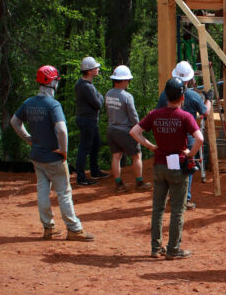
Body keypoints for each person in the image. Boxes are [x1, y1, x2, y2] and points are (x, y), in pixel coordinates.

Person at [11, 65, 93, 241]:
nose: (57, 83)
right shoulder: (53, 104)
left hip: (37, 156)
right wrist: (63, 151)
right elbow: (62, 130)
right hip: (53, 157)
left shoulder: (28, 103)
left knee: (42, 190)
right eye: (56, 80)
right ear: (52, 82)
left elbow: (14, 122)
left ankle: (48, 227)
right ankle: (74, 229)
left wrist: (28, 138)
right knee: (63, 192)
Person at [130, 77, 204, 259]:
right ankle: (173, 249)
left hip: (160, 164)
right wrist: (190, 154)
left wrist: (151, 146)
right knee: (178, 209)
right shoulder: (185, 116)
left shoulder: (155, 114)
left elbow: (134, 132)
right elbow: (200, 139)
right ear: (182, 98)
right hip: (177, 164)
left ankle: (156, 248)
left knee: (158, 208)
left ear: (165, 96)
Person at [156, 59, 210, 209]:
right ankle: (184, 199)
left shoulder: (163, 95)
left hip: (169, 137)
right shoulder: (193, 96)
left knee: (173, 167)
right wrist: (209, 100)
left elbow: (157, 113)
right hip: (187, 140)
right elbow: (205, 113)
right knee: (187, 169)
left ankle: (173, 197)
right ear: (190, 78)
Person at [104, 65, 151, 191]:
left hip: (111, 129)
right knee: (136, 155)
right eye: (128, 80)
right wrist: (140, 129)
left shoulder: (108, 94)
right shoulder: (127, 96)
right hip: (125, 130)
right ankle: (140, 183)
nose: (128, 82)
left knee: (116, 156)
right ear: (124, 80)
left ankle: (119, 184)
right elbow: (133, 116)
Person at [74, 56, 107, 185]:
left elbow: (98, 99)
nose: (98, 69)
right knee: (85, 147)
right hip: (87, 121)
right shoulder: (86, 87)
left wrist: (99, 97)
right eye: (95, 68)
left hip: (89, 120)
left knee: (95, 144)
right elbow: (98, 103)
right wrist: (100, 97)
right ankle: (81, 177)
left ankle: (94, 170)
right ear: (89, 71)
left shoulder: (84, 84)